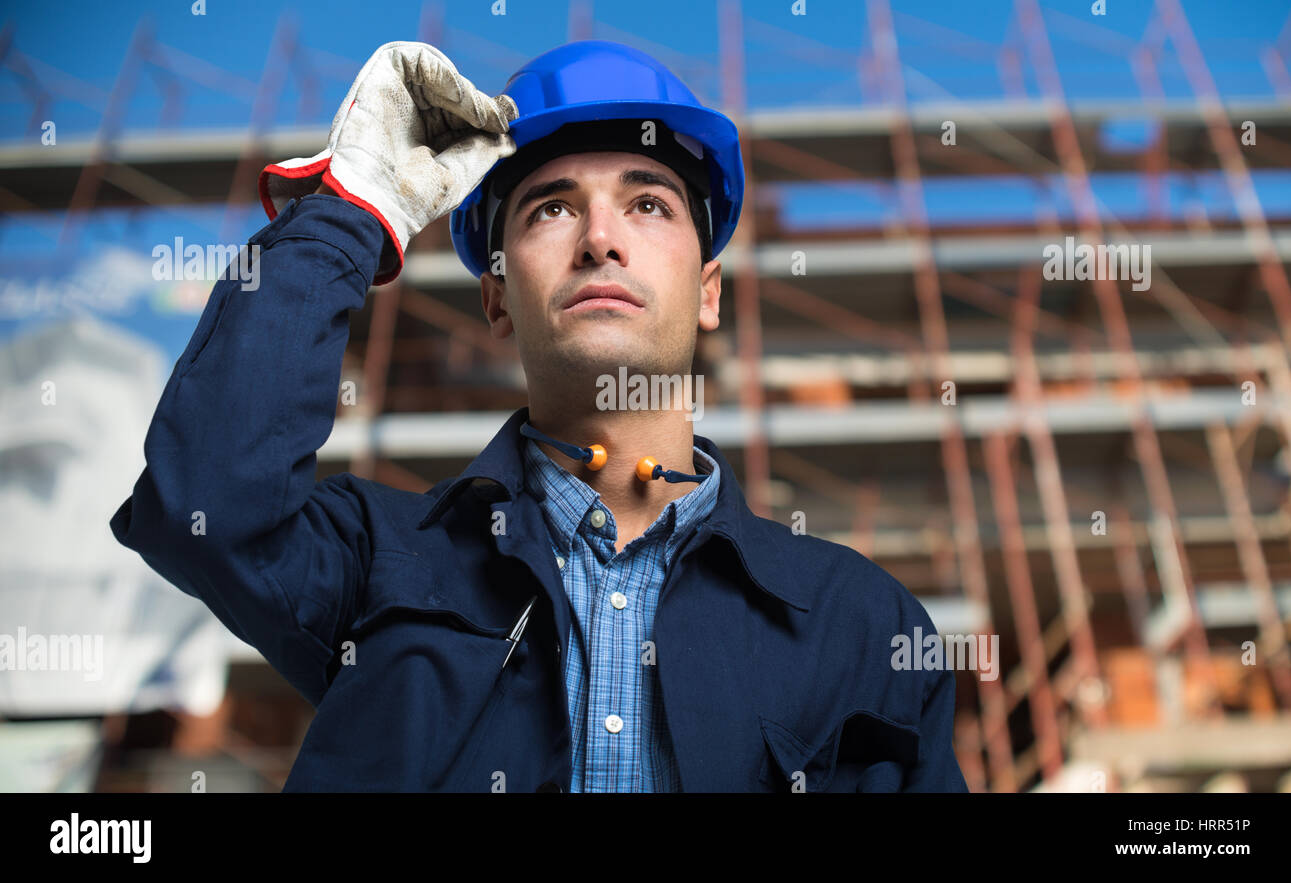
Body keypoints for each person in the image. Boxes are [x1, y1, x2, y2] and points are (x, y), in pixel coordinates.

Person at [110, 39, 968, 793]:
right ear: (497, 299)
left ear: (708, 292)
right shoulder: (382, 566)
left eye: (648, 204)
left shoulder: (863, 625)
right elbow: (209, 505)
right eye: (552, 207)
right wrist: (348, 212)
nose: (600, 238)